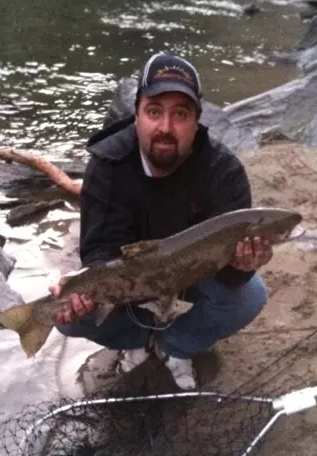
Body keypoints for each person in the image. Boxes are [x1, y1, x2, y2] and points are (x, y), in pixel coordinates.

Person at [50, 52, 273, 390]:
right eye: (154, 112)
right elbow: (97, 250)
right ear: (137, 114)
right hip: (130, 276)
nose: (166, 128)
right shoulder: (107, 165)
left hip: (194, 273)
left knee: (251, 294)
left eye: (180, 115)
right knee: (66, 317)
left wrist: (243, 266)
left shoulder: (224, 172)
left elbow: (228, 280)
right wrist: (85, 287)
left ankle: (175, 344)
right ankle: (138, 338)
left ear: (197, 120)